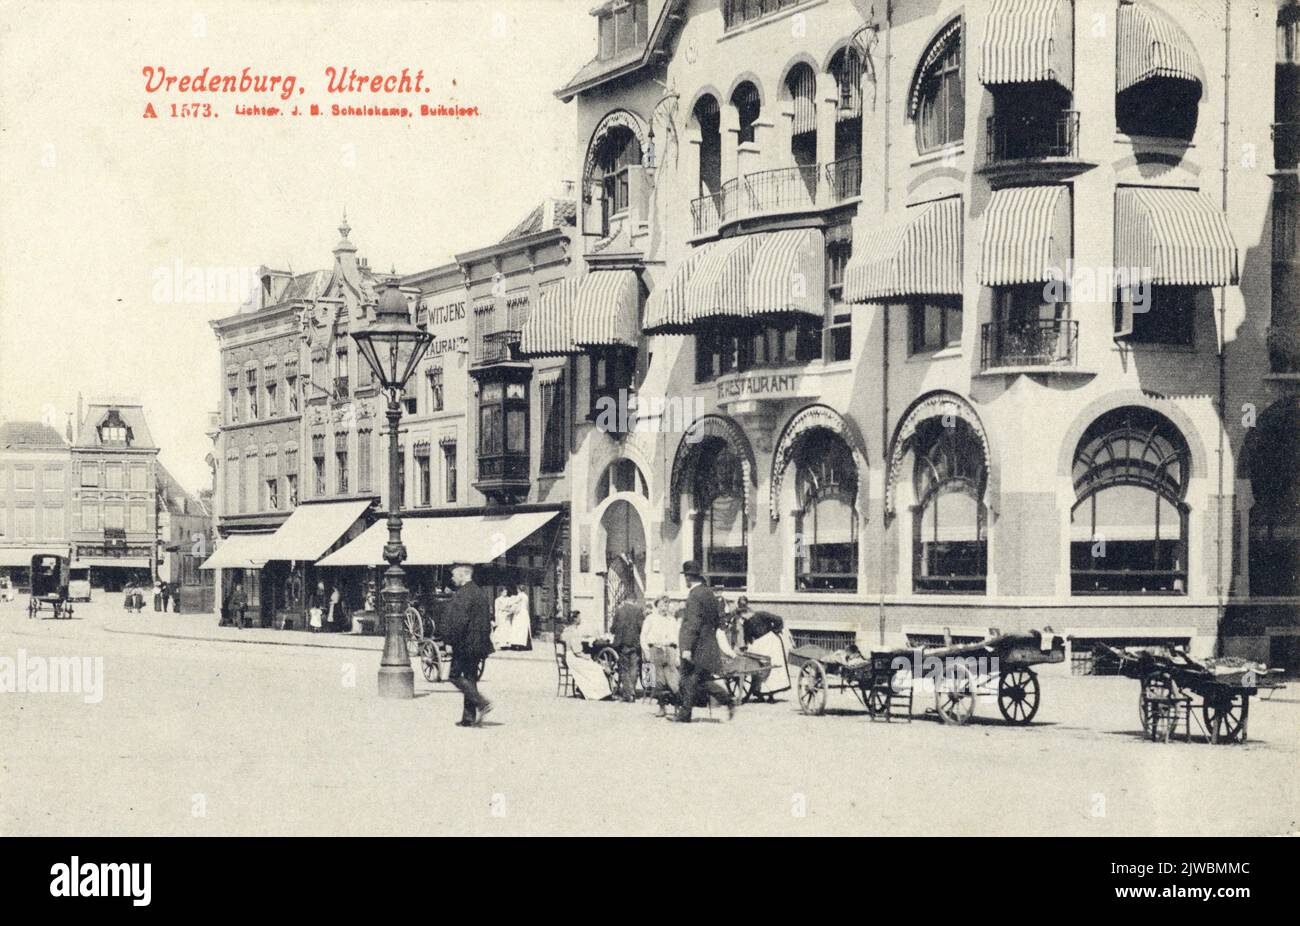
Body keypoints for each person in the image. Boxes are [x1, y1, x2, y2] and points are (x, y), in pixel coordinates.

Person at [674, 561, 734, 722]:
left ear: (688, 577)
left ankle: (684, 715)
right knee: (703, 681)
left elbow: (691, 623)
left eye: (685, 577)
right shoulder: (709, 593)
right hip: (708, 646)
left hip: (695, 647)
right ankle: (727, 700)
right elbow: (716, 620)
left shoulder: (694, 596)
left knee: (688, 679)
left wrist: (686, 647)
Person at [439, 562, 494, 726]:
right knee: (470, 678)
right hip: (479, 644)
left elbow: (457, 622)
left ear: (463, 575)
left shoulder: (462, 595)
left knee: (454, 675)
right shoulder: (480, 593)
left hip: (465, 644)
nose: (452, 578)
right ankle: (468, 718)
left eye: (454, 575)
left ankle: (481, 702)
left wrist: (449, 641)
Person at [641, 595, 681, 717]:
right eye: (663, 604)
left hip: (670, 650)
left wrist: (677, 654)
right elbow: (643, 636)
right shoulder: (650, 619)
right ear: (657, 605)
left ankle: (677, 708)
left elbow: (677, 638)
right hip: (656, 650)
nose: (665, 607)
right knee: (659, 681)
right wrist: (647, 651)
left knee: (674, 680)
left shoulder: (672, 620)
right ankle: (662, 707)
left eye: (667, 604)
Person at [561, 612, 612, 701]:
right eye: (579, 618)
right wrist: (587, 657)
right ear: (575, 619)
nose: (580, 619)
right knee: (597, 668)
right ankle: (598, 693)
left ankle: (590, 690)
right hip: (574, 659)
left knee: (593, 665)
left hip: (569, 657)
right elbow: (577, 652)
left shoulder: (567, 631)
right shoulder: (574, 632)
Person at [609, 593, 645, 702]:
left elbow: (613, 628)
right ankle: (632, 692)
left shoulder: (619, 610)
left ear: (625, 600)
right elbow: (641, 627)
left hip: (622, 644)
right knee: (634, 667)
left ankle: (628, 694)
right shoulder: (639, 610)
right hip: (635, 643)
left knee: (624, 668)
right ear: (634, 600)